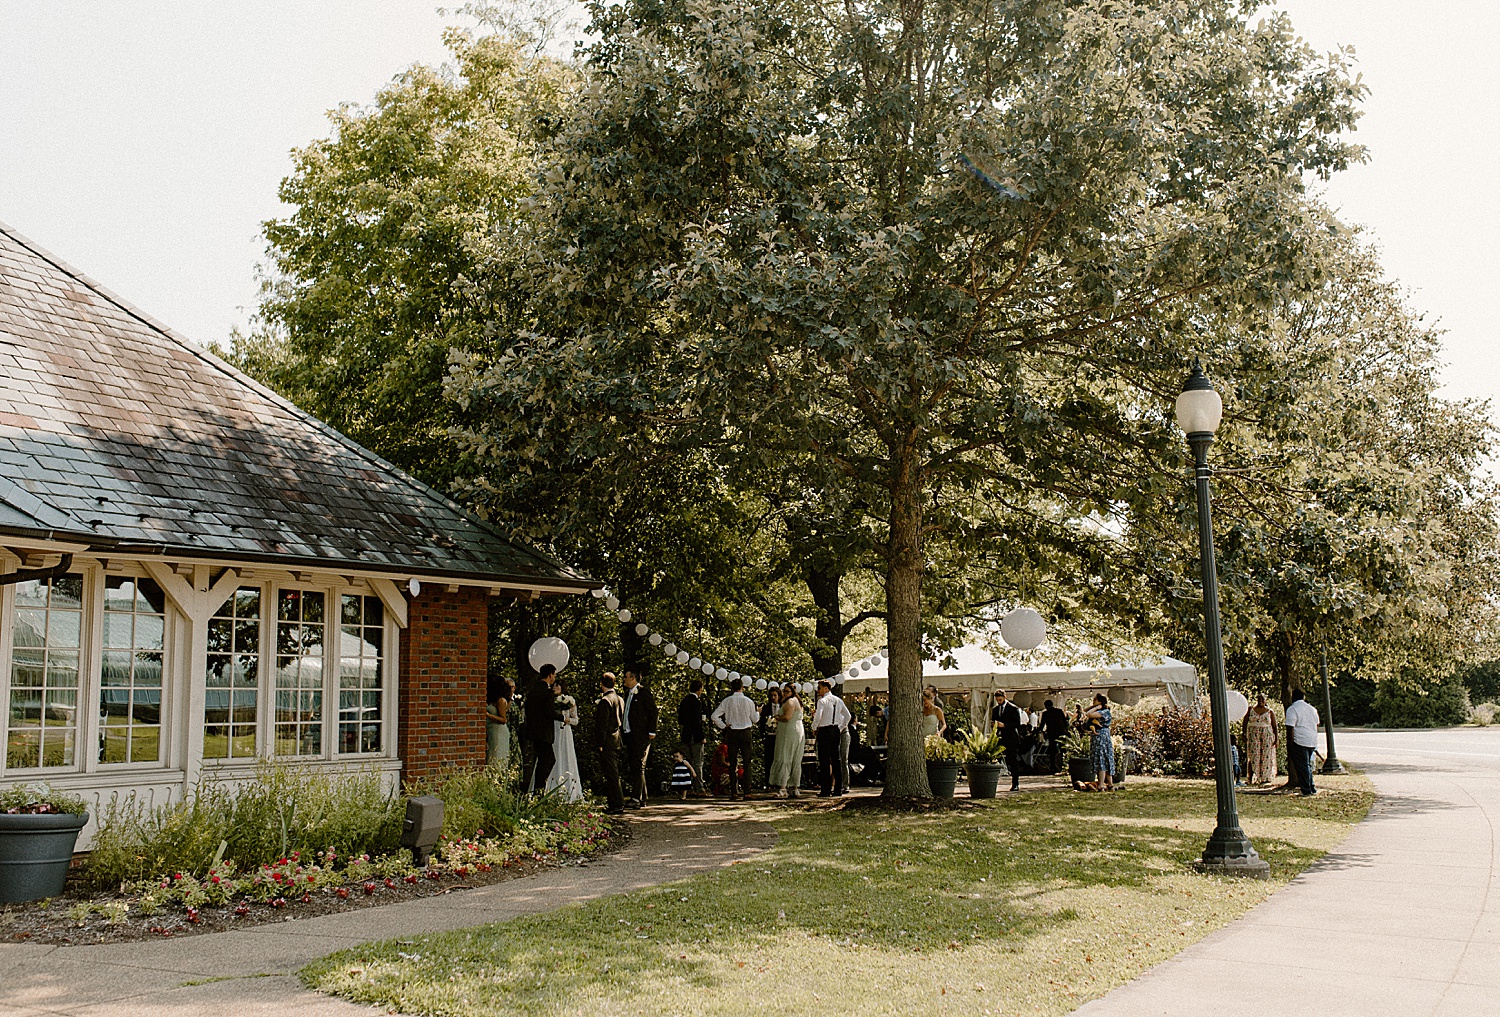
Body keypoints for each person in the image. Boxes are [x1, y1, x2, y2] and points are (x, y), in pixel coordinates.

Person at [712, 677, 759, 800]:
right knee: (747, 761)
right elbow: (755, 719)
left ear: (732, 688)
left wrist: (723, 725)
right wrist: (758, 712)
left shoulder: (727, 701)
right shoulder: (749, 701)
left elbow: (714, 716)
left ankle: (734, 792)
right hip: (745, 731)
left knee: (732, 763)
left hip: (732, 732)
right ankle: (747, 792)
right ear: (742, 687)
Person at [621, 670, 658, 807]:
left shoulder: (643, 692)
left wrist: (652, 731)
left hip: (641, 735)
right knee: (634, 765)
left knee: (638, 765)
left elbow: (653, 711)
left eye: (626, 677)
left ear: (634, 678)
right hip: (630, 734)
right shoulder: (627, 694)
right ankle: (642, 797)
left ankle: (636, 798)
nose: (624, 680)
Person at [525, 664, 562, 793]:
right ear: (550, 675)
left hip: (534, 731)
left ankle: (538, 789)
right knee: (548, 761)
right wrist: (562, 717)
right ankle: (539, 791)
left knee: (544, 761)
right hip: (544, 732)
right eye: (554, 675)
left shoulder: (533, 690)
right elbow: (549, 712)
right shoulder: (547, 692)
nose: (554, 678)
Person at [811, 679, 852, 797]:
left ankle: (826, 789)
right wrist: (840, 727)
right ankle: (838, 789)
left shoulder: (822, 701)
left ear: (826, 688)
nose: (818, 691)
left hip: (824, 730)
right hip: (835, 730)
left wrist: (814, 727)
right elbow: (847, 715)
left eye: (819, 688)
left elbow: (818, 716)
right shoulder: (838, 700)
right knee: (836, 759)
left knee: (824, 760)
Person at [593, 672, 626, 814]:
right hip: (617, 738)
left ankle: (617, 804)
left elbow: (602, 724)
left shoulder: (605, 701)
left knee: (611, 773)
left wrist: (599, 742)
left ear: (602, 684)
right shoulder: (619, 698)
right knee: (613, 772)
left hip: (608, 740)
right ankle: (616, 802)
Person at [547, 678, 584, 802]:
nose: (555, 687)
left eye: (557, 685)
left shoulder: (569, 701)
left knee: (566, 756)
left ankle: (569, 789)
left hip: (565, 731)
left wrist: (567, 720)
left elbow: (576, 720)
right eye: (554, 685)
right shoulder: (550, 700)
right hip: (553, 730)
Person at [770, 682, 806, 797]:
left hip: (789, 731)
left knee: (785, 756)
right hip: (797, 730)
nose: (784, 693)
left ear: (792, 692)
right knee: (795, 758)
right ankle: (795, 788)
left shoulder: (791, 702)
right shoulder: (798, 702)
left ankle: (783, 788)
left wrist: (776, 718)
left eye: (787, 691)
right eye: (784, 691)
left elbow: (787, 717)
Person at [1283, 689, 1320, 796]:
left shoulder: (1292, 709)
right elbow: (1316, 723)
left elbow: (1290, 727)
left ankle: (1306, 789)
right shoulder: (1312, 709)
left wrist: (1290, 743)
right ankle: (1311, 787)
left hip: (1300, 740)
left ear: (1293, 697)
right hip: (1312, 740)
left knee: (1303, 767)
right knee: (1307, 765)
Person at [677, 679, 711, 794]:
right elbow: (697, 722)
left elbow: (680, 719)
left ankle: (688, 788)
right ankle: (699, 788)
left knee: (688, 762)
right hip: (695, 736)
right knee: (697, 762)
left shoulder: (684, 701)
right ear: (700, 689)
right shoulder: (697, 703)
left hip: (686, 734)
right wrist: (701, 736)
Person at [991, 690, 1025, 792]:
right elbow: (994, 719)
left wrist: (1005, 725)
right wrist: (994, 725)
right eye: (997, 700)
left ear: (1004, 697)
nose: (999, 702)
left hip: (1011, 738)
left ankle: (1015, 783)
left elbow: (1017, 723)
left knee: (1012, 760)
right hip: (1000, 737)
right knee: (995, 758)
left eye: (1000, 700)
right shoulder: (996, 709)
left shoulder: (1013, 708)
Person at [1242, 693, 1279, 786]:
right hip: (1253, 735)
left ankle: (1264, 778)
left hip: (1266, 735)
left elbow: (1275, 726)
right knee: (1253, 755)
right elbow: (1245, 722)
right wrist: (1244, 733)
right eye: (1259, 699)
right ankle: (1251, 777)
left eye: (1263, 699)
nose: (1261, 701)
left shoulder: (1270, 712)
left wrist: (1276, 738)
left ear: (1266, 700)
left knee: (1266, 756)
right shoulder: (1251, 710)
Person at [1082, 693, 1114, 791]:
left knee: (1102, 758)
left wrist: (1097, 707)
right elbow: (1085, 710)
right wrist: (1094, 706)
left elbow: (1088, 714)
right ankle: (1110, 784)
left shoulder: (1104, 712)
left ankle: (1101, 784)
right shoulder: (1100, 710)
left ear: (1100, 701)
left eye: (1095, 699)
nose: (1093, 701)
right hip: (1098, 736)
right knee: (1102, 758)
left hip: (1101, 736)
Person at [486, 679, 512, 768]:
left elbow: (503, 719)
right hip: (491, 730)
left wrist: (489, 715)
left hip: (498, 731)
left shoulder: (501, 700)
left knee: (497, 755)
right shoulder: (492, 700)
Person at [759, 686, 781, 790]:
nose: (773, 697)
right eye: (771, 695)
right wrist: (763, 735)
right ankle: (768, 782)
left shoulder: (783, 706)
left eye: (775, 695)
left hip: (780, 735)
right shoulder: (766, 708)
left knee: (779, 759)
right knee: (769, 759)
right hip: (769, 736)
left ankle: (779, 781)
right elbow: (761, 723)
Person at [1040, 698, 1069, 772]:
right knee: (1063, 749)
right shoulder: (1059, 711)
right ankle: (1064, 765)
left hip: (1052, 733)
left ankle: (1053, 766)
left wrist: (1038, 731)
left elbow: (1042, 725)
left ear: (1046, 706)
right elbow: (1065, 722)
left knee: (1052, 750)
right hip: (1061, 732)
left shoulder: (1046, 714)